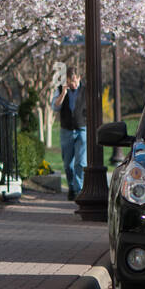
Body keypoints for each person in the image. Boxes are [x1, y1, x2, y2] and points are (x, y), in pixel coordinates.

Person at [52, 70, 87, 201]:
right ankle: (71, 187)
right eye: (69, 81)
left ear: (79, 78)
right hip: (66, 130)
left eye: (74, 80)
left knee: (81, 162)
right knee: (68, 164)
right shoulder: (60, 90)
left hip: (82, 128)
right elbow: (55, 107)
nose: (72, 84)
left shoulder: (86, 90)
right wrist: (63, 93)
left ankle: (79, 190)